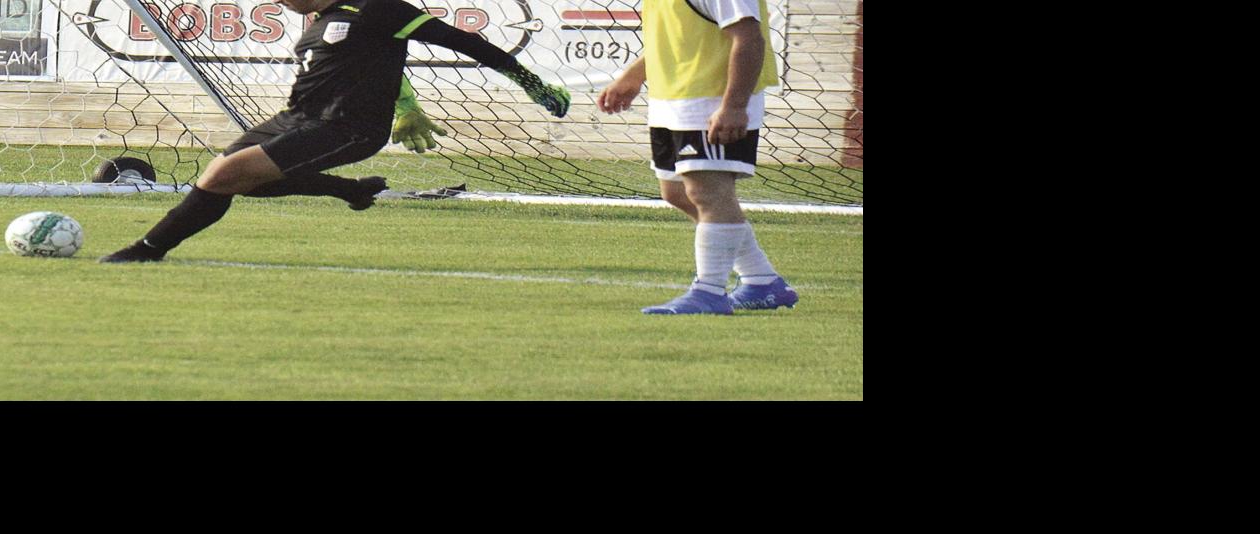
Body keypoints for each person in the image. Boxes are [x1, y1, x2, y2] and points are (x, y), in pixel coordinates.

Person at [100, 0, 570, 263]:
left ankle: (146, 250)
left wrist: (531, 84)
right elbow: (371, 64)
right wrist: (407, 101)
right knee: (239, 181)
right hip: (296, 117)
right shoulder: (319, 22)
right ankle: (350, 190)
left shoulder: (379, 8)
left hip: (347, 126)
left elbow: (464, 42)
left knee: (221, 177)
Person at [597, 0, 798, 314]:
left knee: (708, 192)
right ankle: (760, 279)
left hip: (712, 100)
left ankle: (709, 291)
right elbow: (679, 35)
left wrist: (734, 106)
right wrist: (634, 76)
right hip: (672, 99)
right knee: (676, 192)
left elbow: (749, 38)